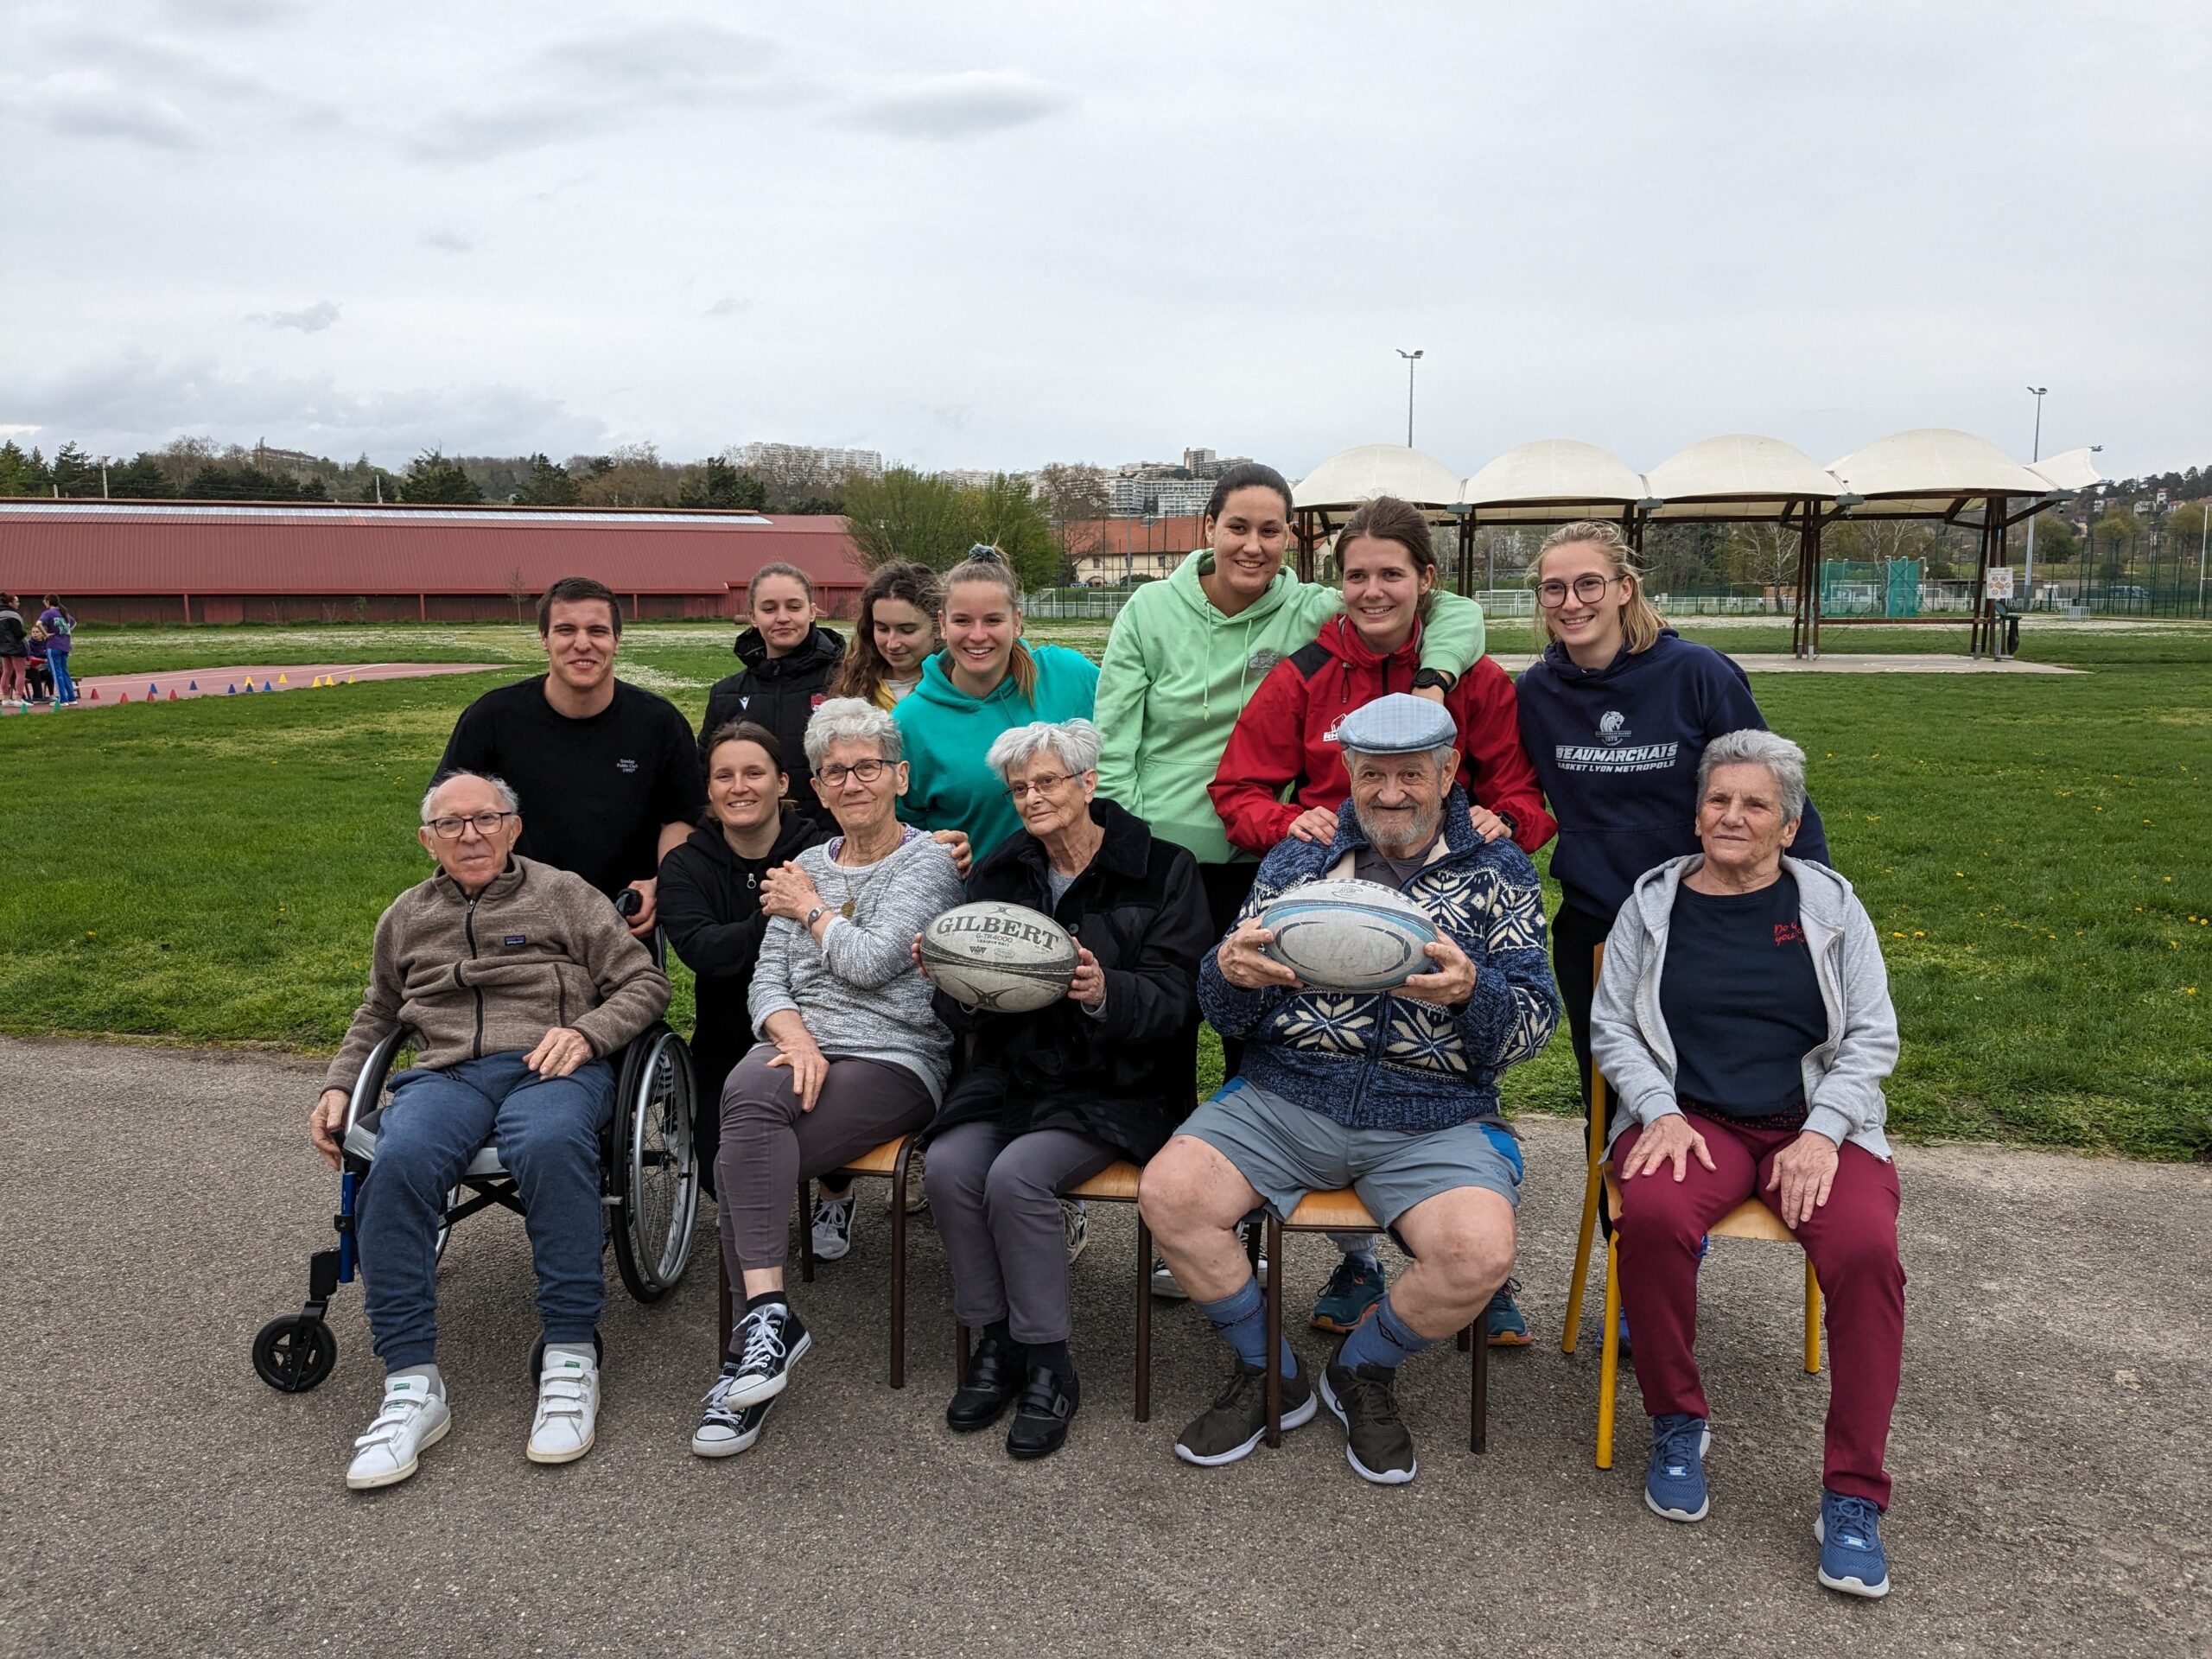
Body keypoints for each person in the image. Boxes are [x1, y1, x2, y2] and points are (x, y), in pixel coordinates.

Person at [1092, 467, 1489, 1311]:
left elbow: (1449, 611)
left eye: (1271, 531)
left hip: (1270, 858)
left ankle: (1249, 1224)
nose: (1253, 545)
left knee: (1258, 1042)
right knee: (1160, 1038)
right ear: (1208, 528)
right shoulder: (1148, 611)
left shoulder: (1311, 604)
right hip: (1166, 857)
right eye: (1238, 527)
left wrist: (1434, 682)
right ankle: (1177, 1220)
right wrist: (1123, 848)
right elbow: (1115, 737)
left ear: (1289, 543)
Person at [1139, 696, 1559, 1485]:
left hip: (1433, 1111)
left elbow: (1534, 1025)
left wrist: (1474, 995)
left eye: (1410, 775)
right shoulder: (1302, 857)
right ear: (1350, 776)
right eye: (1372, 775)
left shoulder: (1498, 871)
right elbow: (1225, 1003)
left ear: (1447, 775)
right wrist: (1227, 972)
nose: (1390, 794)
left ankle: (1361, 1369)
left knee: (1478, 1253)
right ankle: (1273, 1370)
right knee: (1171, 1195)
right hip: (1286, 1094)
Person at [1590, 728, 1902, 1599]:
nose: (1731, 816)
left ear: (1788, 827)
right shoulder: (1650, 905)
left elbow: (1873, 1035)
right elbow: (1612, 1026)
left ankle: (1851, 1495)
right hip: (1694, 1122)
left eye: (1753, 804)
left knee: (1868, 1255)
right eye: (1717, 801)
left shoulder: (1832, 907)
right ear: (1696, 814)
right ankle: (1677, 1422)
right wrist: (1657, 1110)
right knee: (1648, 1218)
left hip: (1812, 1128)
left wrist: (1824, 1130)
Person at [308, 771, 671, 1490]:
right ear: (427, 840)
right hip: (446, 1074)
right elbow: (378, 1012)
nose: (470, 834)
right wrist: (339, 1085)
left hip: (552, 1064)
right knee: (397, 1159)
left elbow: (644, 983)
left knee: (549, 1145)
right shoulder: (405, 916)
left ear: (513, 827)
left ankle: (570, 1356)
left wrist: (590, 1033)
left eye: (485, 819)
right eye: (451, 824)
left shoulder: (565, 895)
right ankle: (412, 1383)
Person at [1515, 520, 1832, 1336]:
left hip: (1707, 918)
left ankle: (1681, 1238)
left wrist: (1814, 899)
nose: (1572, 601)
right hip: (1597, 925)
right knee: (1615, 1098)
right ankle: (1639, 1265)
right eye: (1554, 588)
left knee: (1705, 1084)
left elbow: (1767, 786)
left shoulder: (1695, 674)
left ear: (1626, 588)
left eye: (1589, 583)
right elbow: (1511, 791)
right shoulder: (1535, 694)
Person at [921, 719, 1211, 1460]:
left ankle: (1050, 1361)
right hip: (1013, 1076)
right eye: (1019, 788)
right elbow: (959, 1015)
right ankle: (998, 1342)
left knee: (1017, 1176)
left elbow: (1184, 998)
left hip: (1120, 1083)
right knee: (952, 1167)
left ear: (1089, 783)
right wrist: (949, 978)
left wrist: (1105, 990)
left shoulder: (1164, 868)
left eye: (1046, 782)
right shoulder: (1001, 869)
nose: (1031, 798)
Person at [694, 698, 966, 1459]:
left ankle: (750, 1355)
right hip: (799, 1050)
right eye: (834, 771)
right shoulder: (806, 865)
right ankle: (769, 1326)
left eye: (867, 767)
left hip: (895, 1057)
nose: (852, 782)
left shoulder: (929, 862)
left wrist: (810, 910)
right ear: (815, 786)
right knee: (749, 1102)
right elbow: (764, 981)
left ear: (898, 776)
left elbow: (874, 961)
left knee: (741, 1151)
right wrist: (796, 1036)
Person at [438, 576, 704, 937]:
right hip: (515, 915)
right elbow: (449, 816)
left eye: (597, 630)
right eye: (566, 630)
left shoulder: (659, 723)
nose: (583, 644)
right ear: (545, 639)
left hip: (621, 919)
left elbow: (680, 817)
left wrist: (662, 882)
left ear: (616, 640)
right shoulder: (492, 718)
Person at [657, 721, 832, 1191]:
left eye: (753, 773)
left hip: (826, 1029)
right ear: (709, 789)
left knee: (832, 1153)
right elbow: (706, 952)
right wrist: (783, 911)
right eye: (724, 776)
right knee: (720, 1176)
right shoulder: (685, 865)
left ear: (781, 782)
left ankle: (837, 1196)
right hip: (728, 1041)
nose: (739, 788)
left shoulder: (822, 849)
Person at [894, 548, 1100, 864]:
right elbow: (901, 830)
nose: (978, 636)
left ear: (1016, 622)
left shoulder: (1069, 674)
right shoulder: (910, 722)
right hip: (982, 901)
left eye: (993, 620)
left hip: (1085, 888)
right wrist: (936, 850)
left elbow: (1127, 747)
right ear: (943, 624)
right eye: (962, 621)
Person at [699, 563, 848, 826]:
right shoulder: (726, 695)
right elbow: (705, 774)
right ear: (753, 617)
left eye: (794, 607)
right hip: (750, 841)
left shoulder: (845, 683)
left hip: (829, 838)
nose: (782, 617)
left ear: (812, 612)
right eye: (769, 609)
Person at [832, 560, 943, 711]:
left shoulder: (955, 686)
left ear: (938, 626)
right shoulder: (854, 685)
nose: (892, 644)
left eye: (907, 630)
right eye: (882, 629)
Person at [37, 597, 75, 706]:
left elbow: (38, 623)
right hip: (65, 646)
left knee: (56, 673)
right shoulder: (63, 613)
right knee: (64, 672)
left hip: (54, 646)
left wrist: (45, 634)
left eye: (45, 602)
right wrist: (65, 634)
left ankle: (63, 699)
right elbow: (73, 623)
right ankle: (72, 697)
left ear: (48, 602)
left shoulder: (48, 613)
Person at [0, 594, 27, 709]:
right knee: (20, 672)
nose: (18, 603)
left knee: (6, 672)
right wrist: (24, 633)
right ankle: (18, 699)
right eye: (17, 602)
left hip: (3, 647)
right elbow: (18, 633)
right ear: (10, 603)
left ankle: (5, 699)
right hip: (15, 646)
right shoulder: (13, 615)